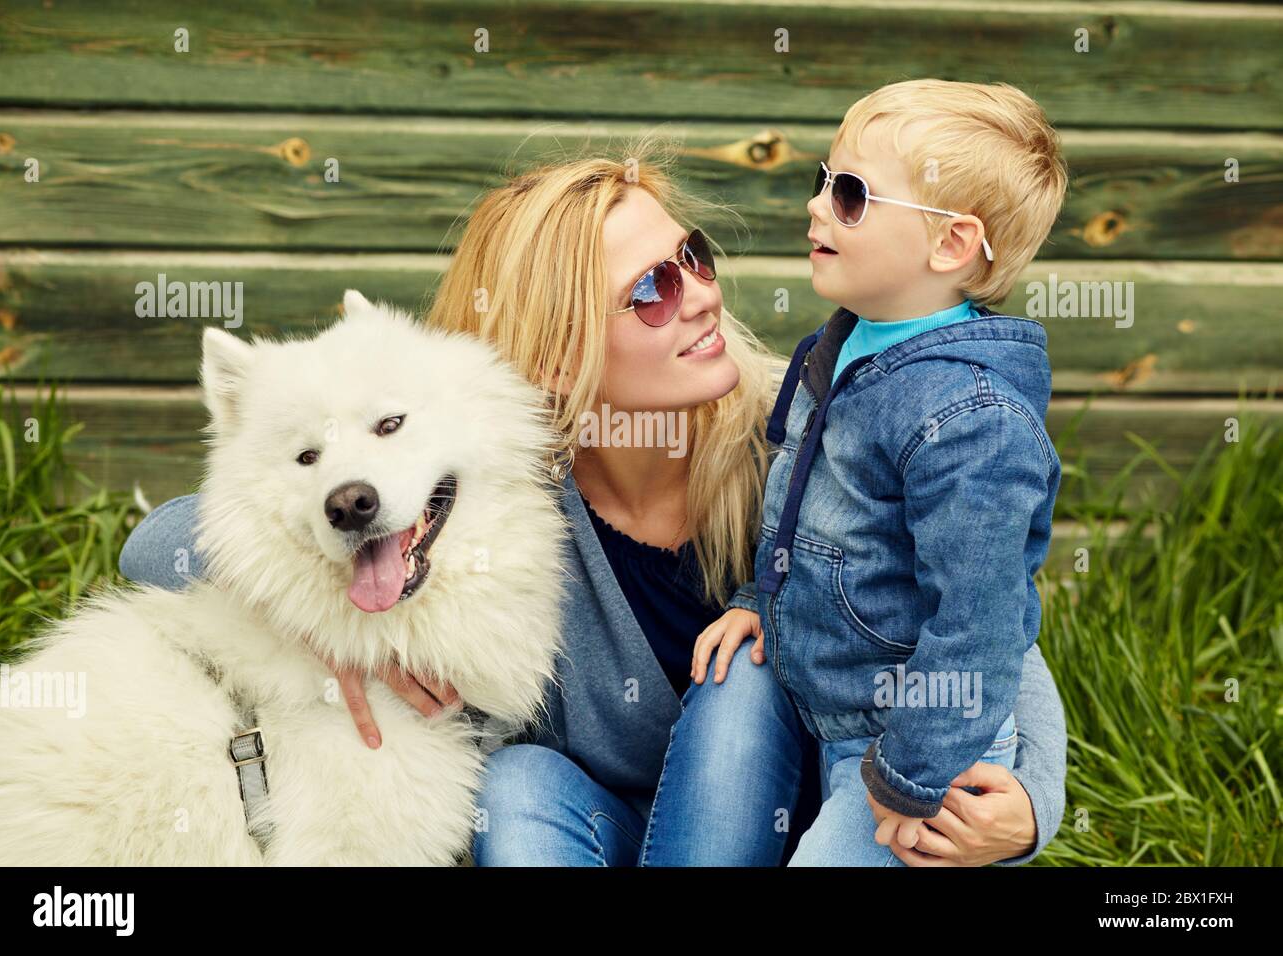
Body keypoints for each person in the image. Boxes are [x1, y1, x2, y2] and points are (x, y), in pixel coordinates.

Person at [118, 140, 1067, 866]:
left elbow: (981, 615)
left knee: (740, 690)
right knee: (520, 782)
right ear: (559, 355)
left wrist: (1030, 805)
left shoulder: (817, 431)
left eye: (691, 257)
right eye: (651, 290)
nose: (699, 295)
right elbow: (160, 544)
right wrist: (332, 614)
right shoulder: (485, 498)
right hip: (604, 825)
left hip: (807, 823)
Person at [691, 79, 1070, 865]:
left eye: (854, 195)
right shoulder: (838, 349)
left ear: (950, 245)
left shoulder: (972, 421)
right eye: (822, 181)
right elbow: (798, 504)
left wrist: (912, 777)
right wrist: (762, 596)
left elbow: (980, 620)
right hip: (834, 716)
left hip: (923, 752)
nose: (818, 207)